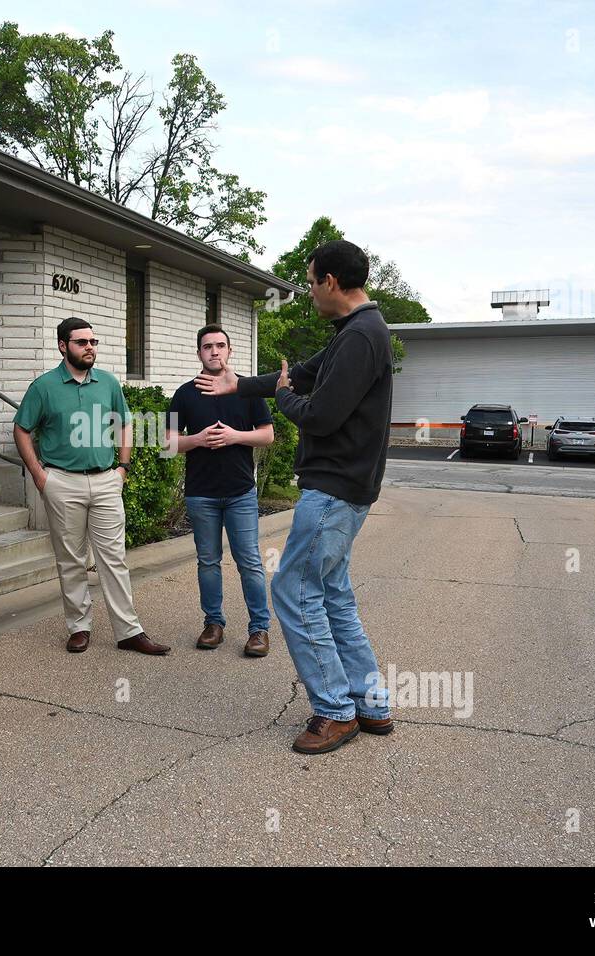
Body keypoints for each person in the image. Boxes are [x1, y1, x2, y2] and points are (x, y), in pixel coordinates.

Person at [196, 239, 394, 755]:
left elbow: (318, 413)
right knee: (333, 594)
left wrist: (281, 397)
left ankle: (333, 709)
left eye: (310, 282)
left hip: (332, 491)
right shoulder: (356, 331)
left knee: (291, 590)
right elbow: (299, 374)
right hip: (345, 491)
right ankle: (369, 702)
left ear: (331, 281)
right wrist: (239, 385)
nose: (308, 292)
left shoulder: (360, 337)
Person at [13, 317, 170, 656]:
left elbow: (125, 424)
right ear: (62, 346)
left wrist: (123, 468)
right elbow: (22, 430)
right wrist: (39, 475)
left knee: (113, 558)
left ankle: (129, 630)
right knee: (70, 559)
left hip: (105, 481)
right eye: (82, 342)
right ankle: (79, 627)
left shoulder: (108, 384)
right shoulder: (43, 387)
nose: (89, 347)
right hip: (61, 482)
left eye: (93, 342)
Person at [166, 324, 275, 656]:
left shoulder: (247, 390)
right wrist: (197, 440)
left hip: (240, 492)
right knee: (208, 562)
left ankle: (259, 630)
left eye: (220, 346)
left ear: (230, 351)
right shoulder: (184, 394)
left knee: (250, 562)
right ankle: (213, 624)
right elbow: (166, 442)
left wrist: (235, 436)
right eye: (207, 346)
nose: (214, 351)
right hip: (202, 494)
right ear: (198, 353)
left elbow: (267, 435)